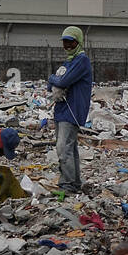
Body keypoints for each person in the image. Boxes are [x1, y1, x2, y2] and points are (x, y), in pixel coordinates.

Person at [47, 26, 93, 194]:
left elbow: (62, 81)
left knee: (63, 147)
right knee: (70, 147)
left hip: (72, 110)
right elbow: (50, 86)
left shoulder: (81, 61)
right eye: (64, 42)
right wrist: (55, 80)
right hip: (61, 110)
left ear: (78, 42)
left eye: (70, 41)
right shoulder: (70, 61)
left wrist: (53, 78)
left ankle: (67, 184)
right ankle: (74, 183)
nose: (67, 45)